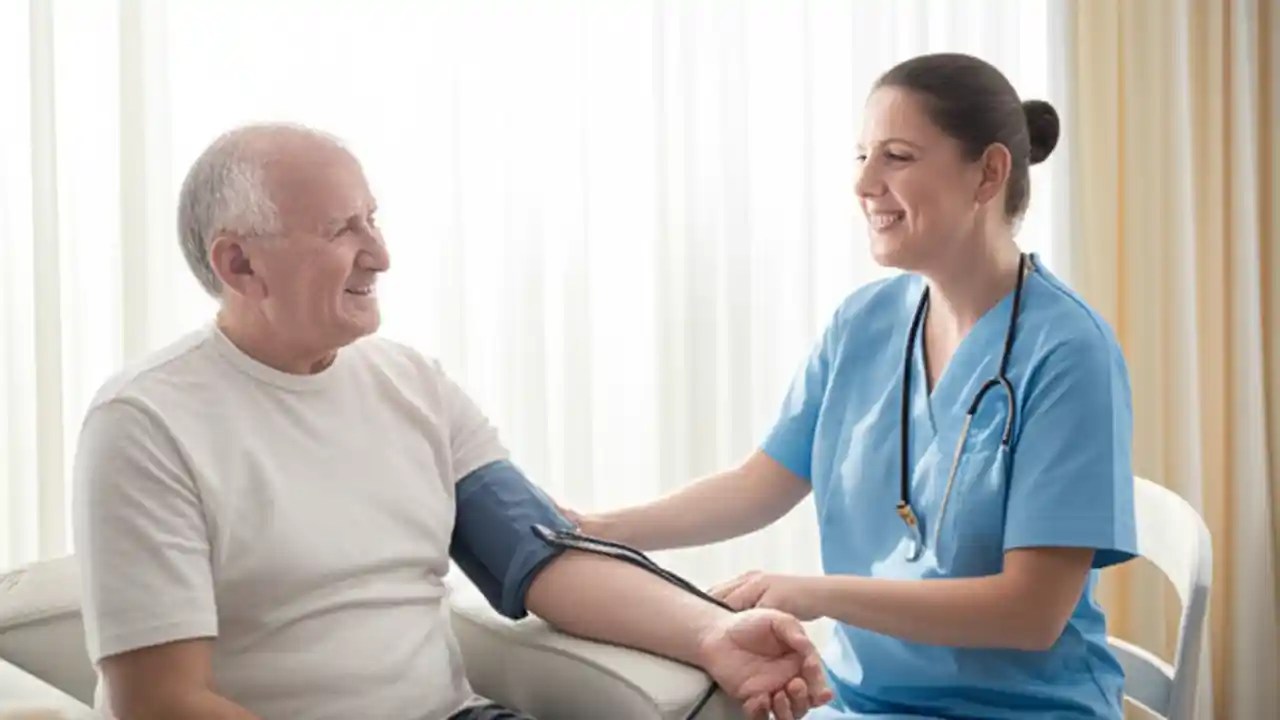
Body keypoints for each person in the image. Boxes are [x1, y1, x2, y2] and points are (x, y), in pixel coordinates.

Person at [70, 123, 832, 720]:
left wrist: (710, 632)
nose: (381, 255)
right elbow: (160, 701)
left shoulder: (412, 384)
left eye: (373, 219)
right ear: (238, 265)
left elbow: (540, 555)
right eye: (343, 231)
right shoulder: (145, 423)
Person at [561, 53, 1139, 719]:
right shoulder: (863, 324)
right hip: (861, 703)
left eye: (896, 155)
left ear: (988, 173)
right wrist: (596, 528)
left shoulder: (1069, 354)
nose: (864, 181)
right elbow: (758, 486)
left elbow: (1032, 612)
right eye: (862, 155)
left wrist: (819, 593)